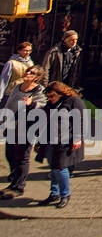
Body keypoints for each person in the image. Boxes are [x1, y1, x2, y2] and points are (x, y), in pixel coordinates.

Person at [36, 81, 84, 209]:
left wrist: (77, 138)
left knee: (61, 167)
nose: (50, 99)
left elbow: (80, 120)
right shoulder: (52, 104)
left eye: (52, 96)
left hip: (66, 140)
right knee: (53, 167)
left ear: (61, 93)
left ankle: (65, 194)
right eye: (48, 97)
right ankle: (54, 193)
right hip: (51, 139)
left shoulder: (74, 101)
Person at [2, 64, 46, 200]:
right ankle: (13, 181)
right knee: (10, 153)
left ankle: (19, 187)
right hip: (12, 125)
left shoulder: (39, 90)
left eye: (31, 72)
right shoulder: (17, 87)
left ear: (37, 78)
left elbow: (43, 106)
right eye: (27, 71)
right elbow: (9, 104)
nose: (27, 73)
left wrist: (31, 104)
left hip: (27, 127)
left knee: (22, 157)